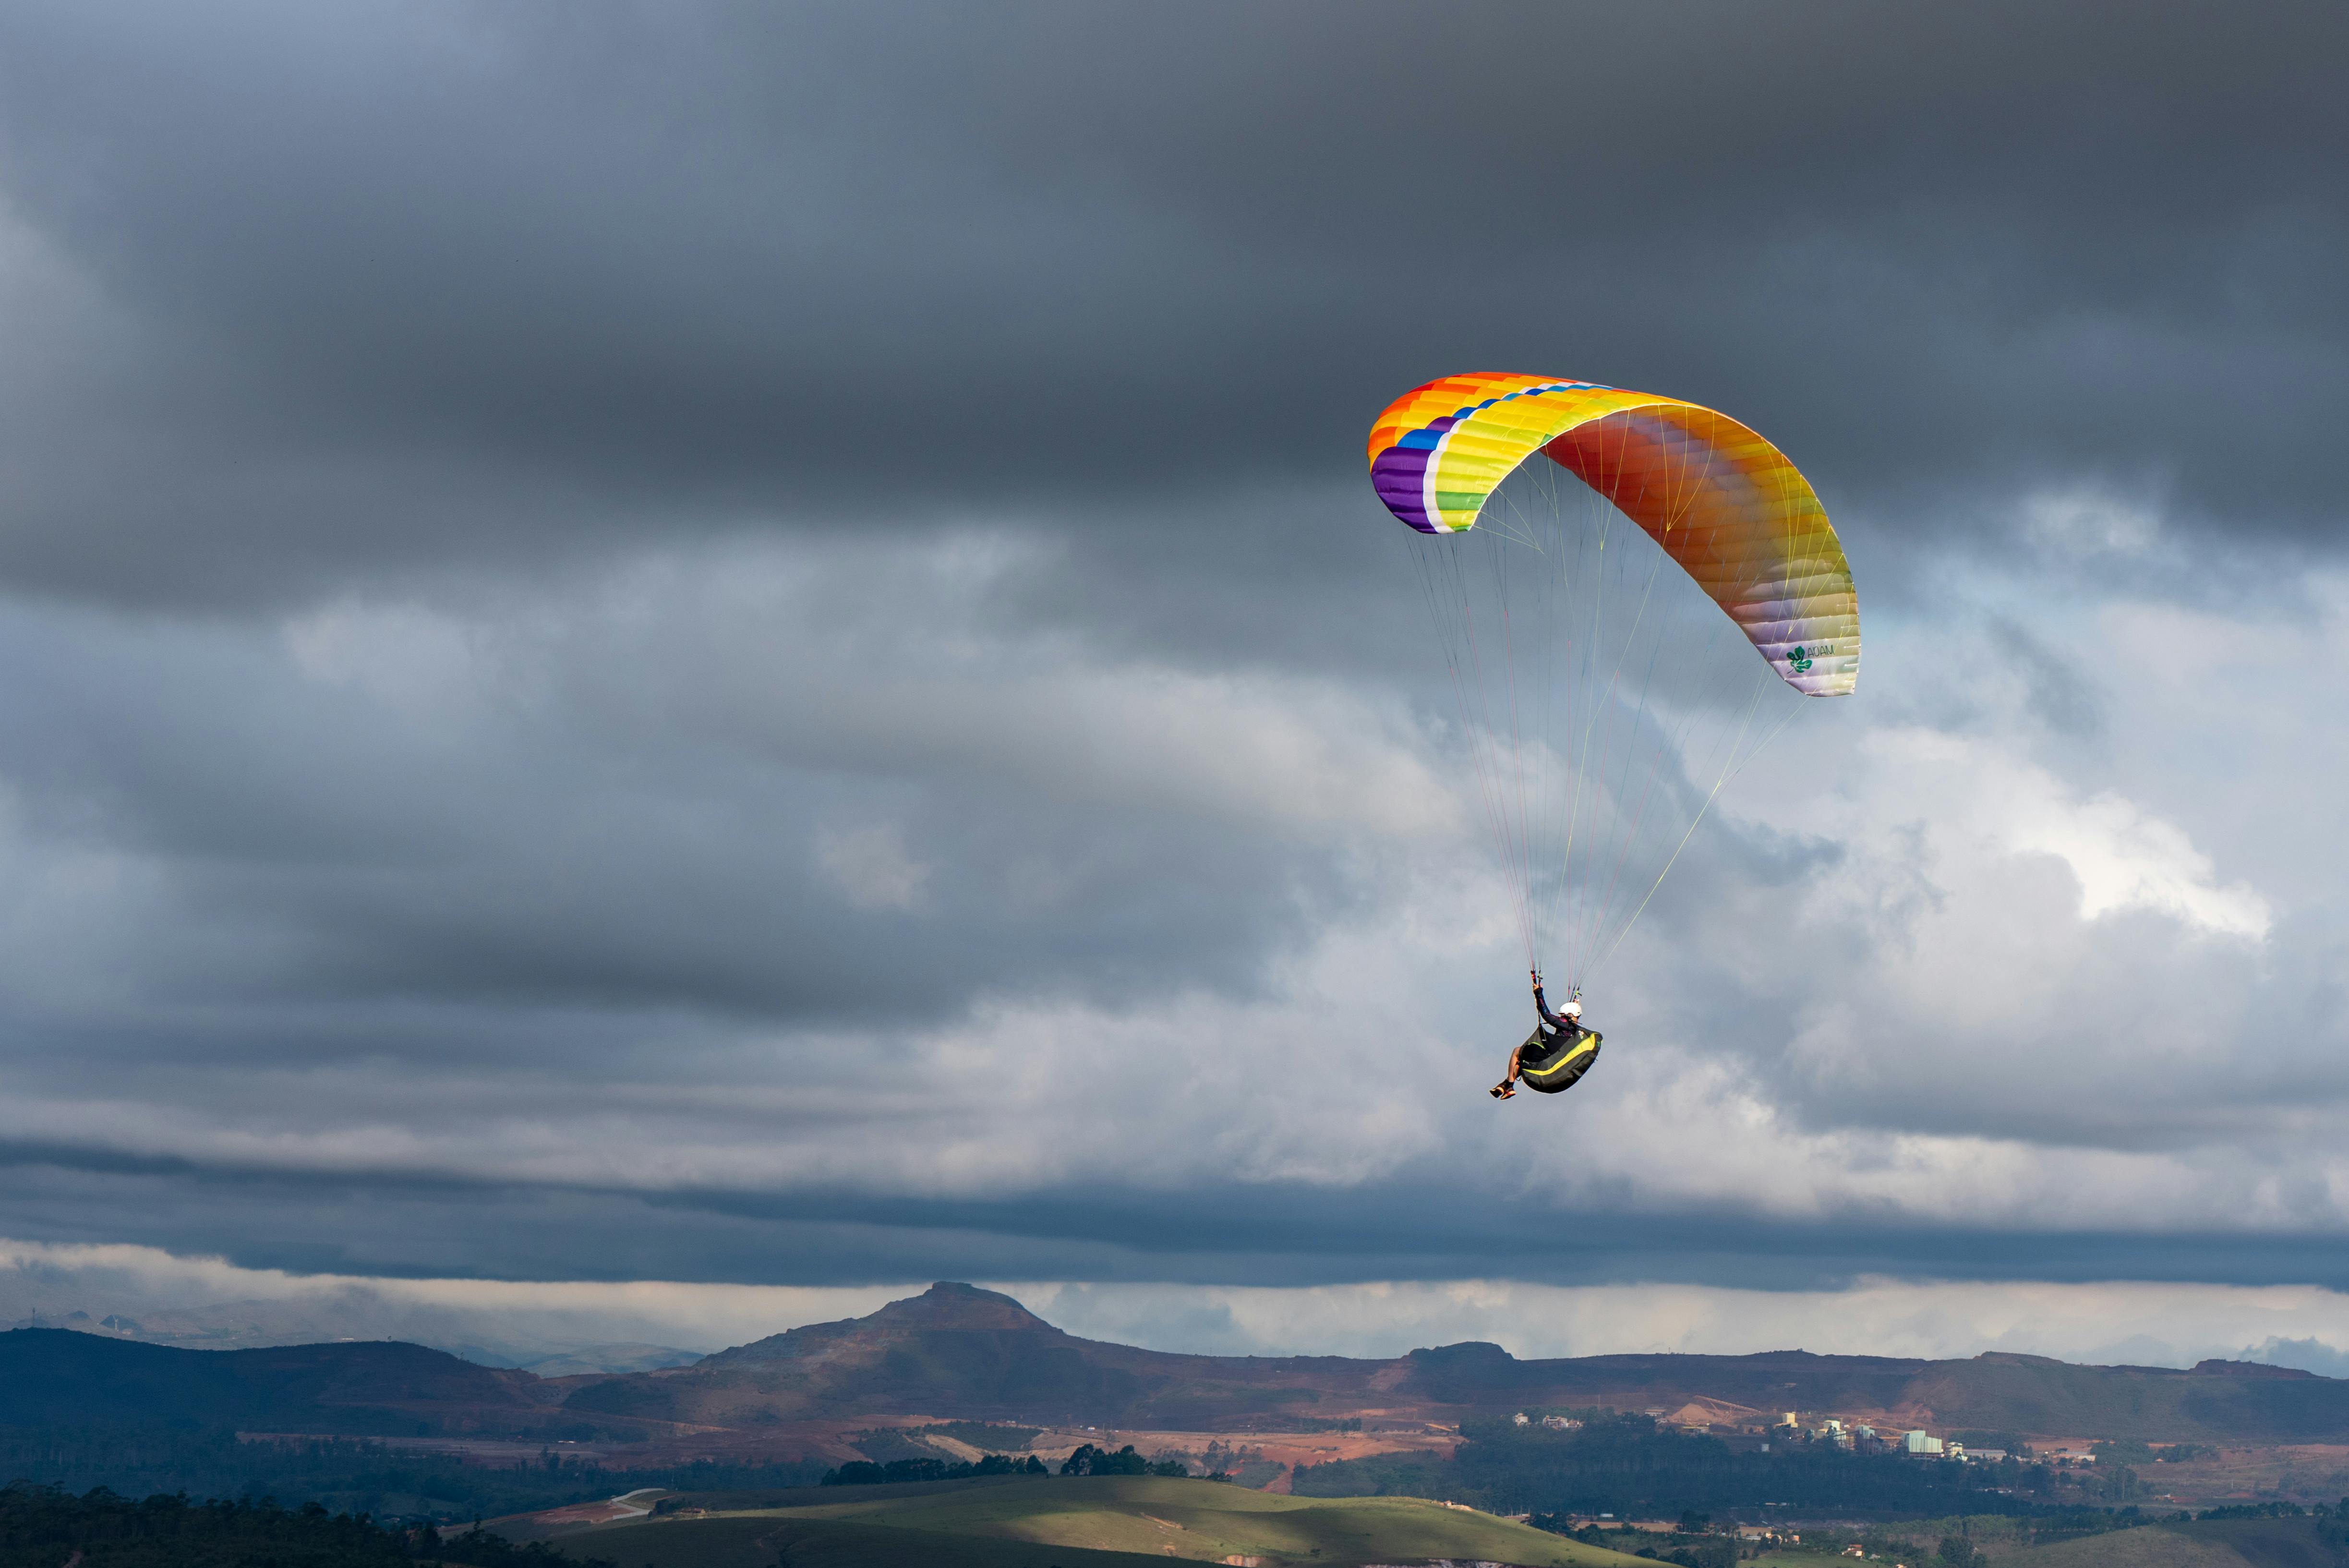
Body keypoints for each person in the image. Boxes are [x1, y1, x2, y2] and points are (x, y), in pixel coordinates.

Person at [1490, 969, 1601, 1099]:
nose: (1561, 1017)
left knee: (1517, 1052)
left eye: (1563, 1015)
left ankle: (1509, 1084)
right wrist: (1575, 1005)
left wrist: (1538, 993)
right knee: (1521, 1064)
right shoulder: (1576, 1031)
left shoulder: (1566, 1024)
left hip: (1548, 1055)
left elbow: (1547, 1015)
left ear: (1567, 1015)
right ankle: (1505, 1086)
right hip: (1553, 1059)